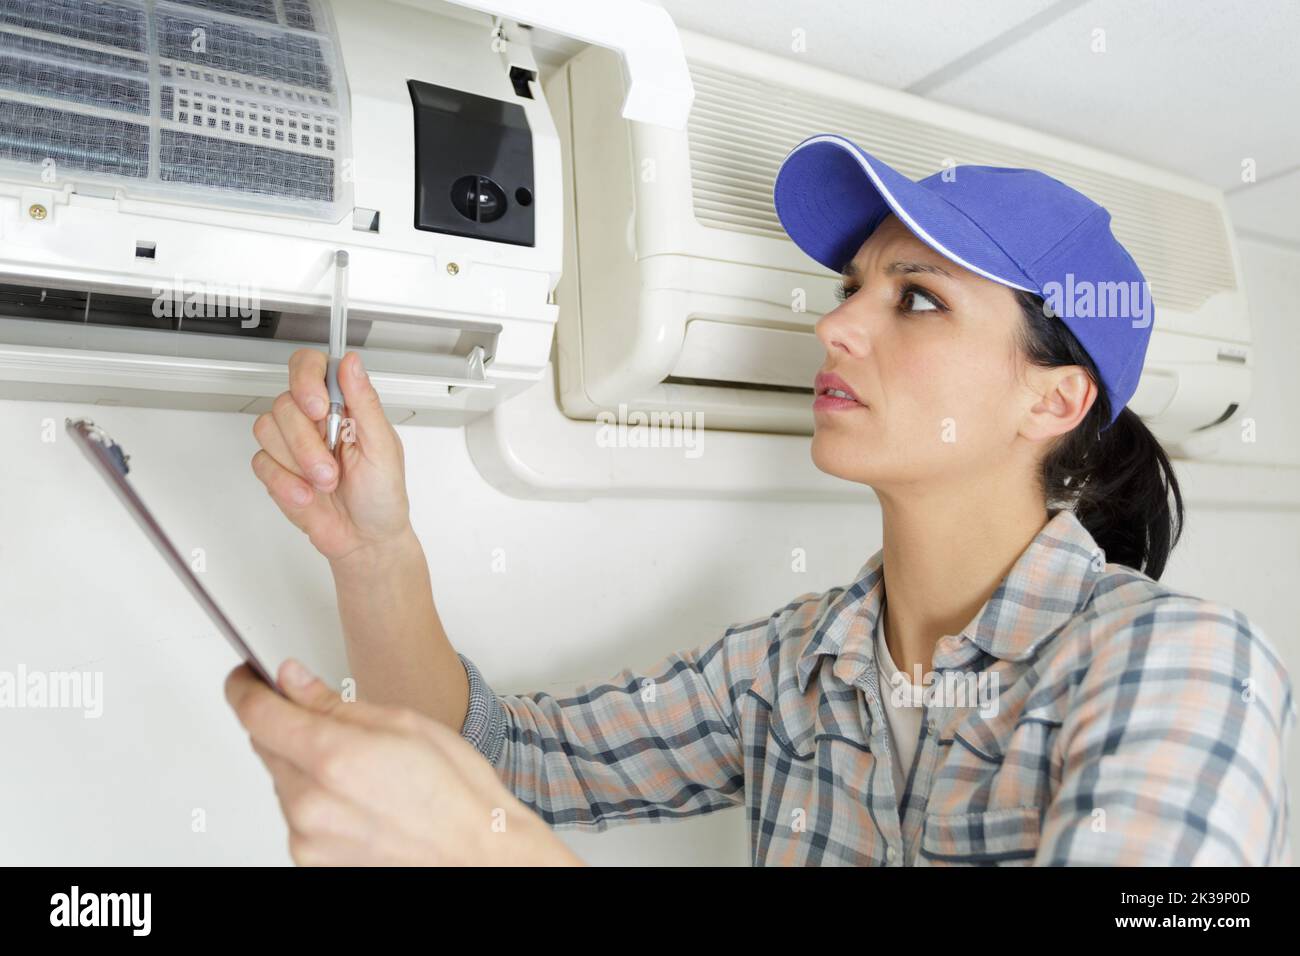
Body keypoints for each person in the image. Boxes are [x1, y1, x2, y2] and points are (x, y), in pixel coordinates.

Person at [226, 133, 1294, 866]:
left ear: (1053, 397)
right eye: (850, 289)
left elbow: (487, 814)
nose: (835, 327)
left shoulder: (1183, 664)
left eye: (916, 297)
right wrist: (375, 551)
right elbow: (503, 758)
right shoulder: (791, 665)